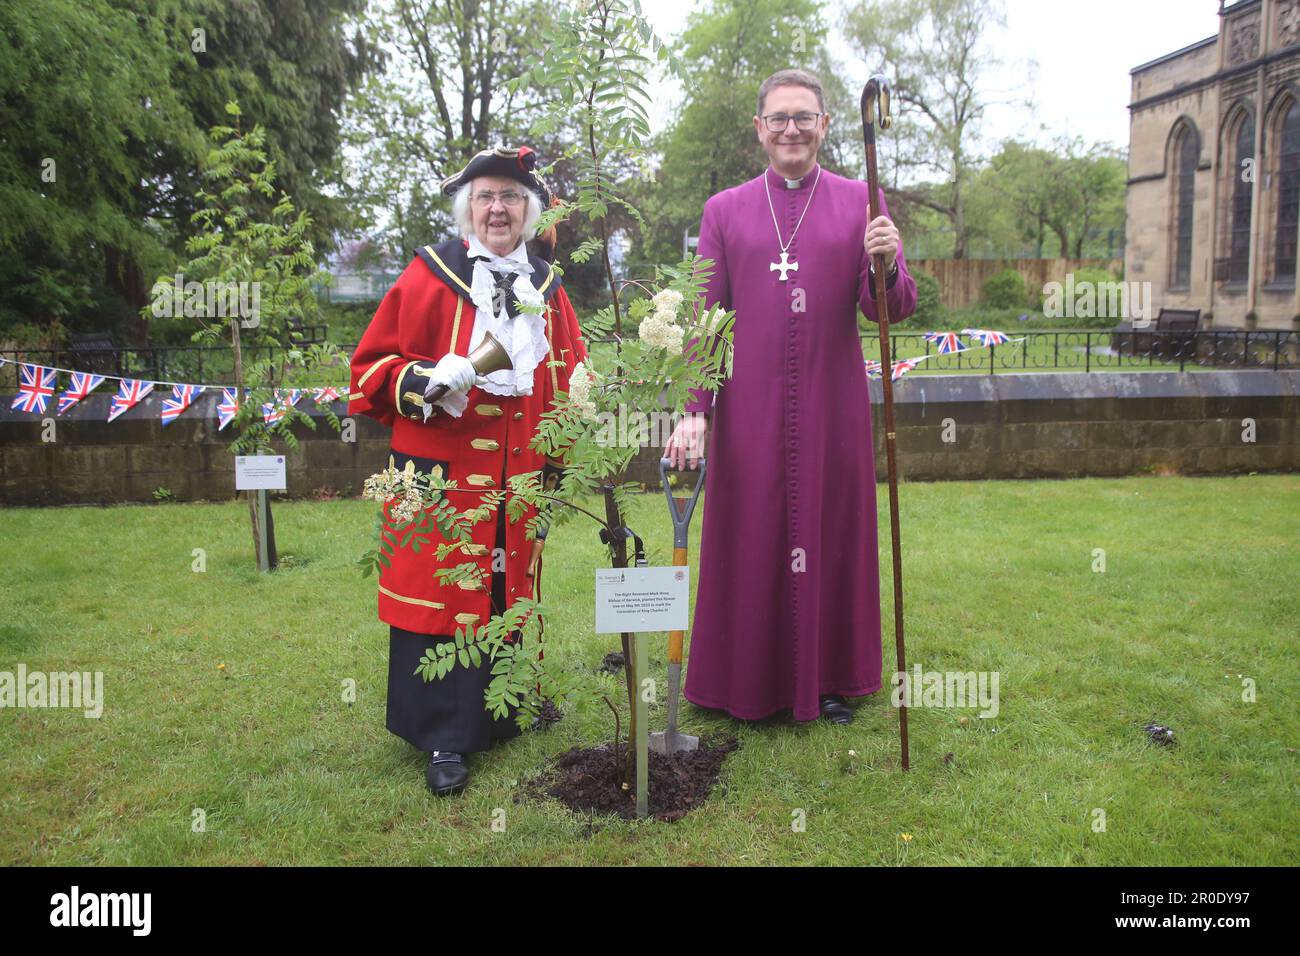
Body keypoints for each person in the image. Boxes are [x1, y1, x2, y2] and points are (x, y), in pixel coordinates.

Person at [664, 69, 917, 725]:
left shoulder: (863, 196)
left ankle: (827, 679)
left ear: (826, 126)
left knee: (827, 534)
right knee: (750, 538)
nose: (791, 129)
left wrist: (885, 262)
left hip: (833, 406)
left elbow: (886, 308)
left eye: (804, 117)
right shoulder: (725, 209)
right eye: (778, 118)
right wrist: (694, 414)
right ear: (759, 129)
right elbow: (703, 321)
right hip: (749, 409)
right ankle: (743, 682)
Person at [348, 145, 587, 794]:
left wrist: (562, 463)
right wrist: (426, 378)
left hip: (520, 479)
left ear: (529, 211)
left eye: (511, 198)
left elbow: (571, 379)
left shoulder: (549, 287)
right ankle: (443, 738)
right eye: (485, 196)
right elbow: (368, 372)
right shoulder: (428, 275)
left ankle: (507, 711)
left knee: (508, 592)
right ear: (467, 209)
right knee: (446, 598)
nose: (498, 208)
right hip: (440, 480)